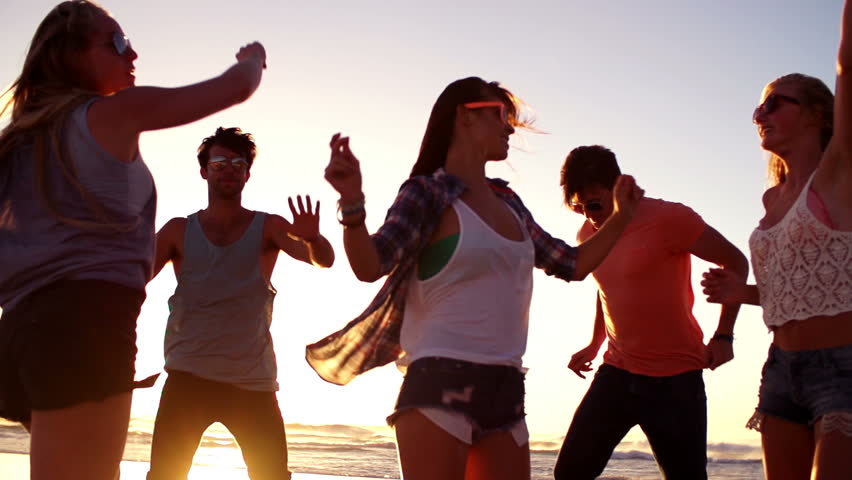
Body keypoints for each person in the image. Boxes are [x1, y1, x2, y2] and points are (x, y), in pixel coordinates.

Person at [306, 77, 644, 480]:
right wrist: (352, 203)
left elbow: (572, 264)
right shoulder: (427, 192)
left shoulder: (510, 202)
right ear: (465, 116)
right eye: (501, 115)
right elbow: (370, 265)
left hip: (506, 391)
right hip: (438, 386)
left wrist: (622, 215)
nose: (509, 128)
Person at [0, 1, 266, 478]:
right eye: (117, 42)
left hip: (19, 332)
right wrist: (253, 59)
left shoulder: (21, 140)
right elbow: (235, 87)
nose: (132, 53)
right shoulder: (115, 113)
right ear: (73, 54)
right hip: (87, 324)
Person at [700, 1, 852, 477]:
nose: (758, 115)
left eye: (773, 103)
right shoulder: (772, 200)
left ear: (817, 115)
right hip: (782, 369)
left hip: (844, 367)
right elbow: (799, 290)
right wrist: (740, 293)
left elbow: (848, 66)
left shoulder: (837, 176)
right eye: (757, 107)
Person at [147, 127, 334, 480]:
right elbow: (131, 279)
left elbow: (322, 260)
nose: (229, 170)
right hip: (187, 378)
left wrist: (313, 239)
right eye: (220, 163)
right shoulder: (177, 231)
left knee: (271, 475)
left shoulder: (269, 227)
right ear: (204, 171)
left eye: (238, 163)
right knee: (165, 475)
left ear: (248, 174)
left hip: (253, 383)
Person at [552, 145, 749, 480]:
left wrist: (724, 335)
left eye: (594, 204)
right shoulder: (589, 232)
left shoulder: (670, 219)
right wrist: (594, 343)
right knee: (570, 473)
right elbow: (606, 287)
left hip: (675, 379)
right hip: (617, 373)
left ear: (618, 187)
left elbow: (735, 262)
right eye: (578, 207)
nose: (587, 215)